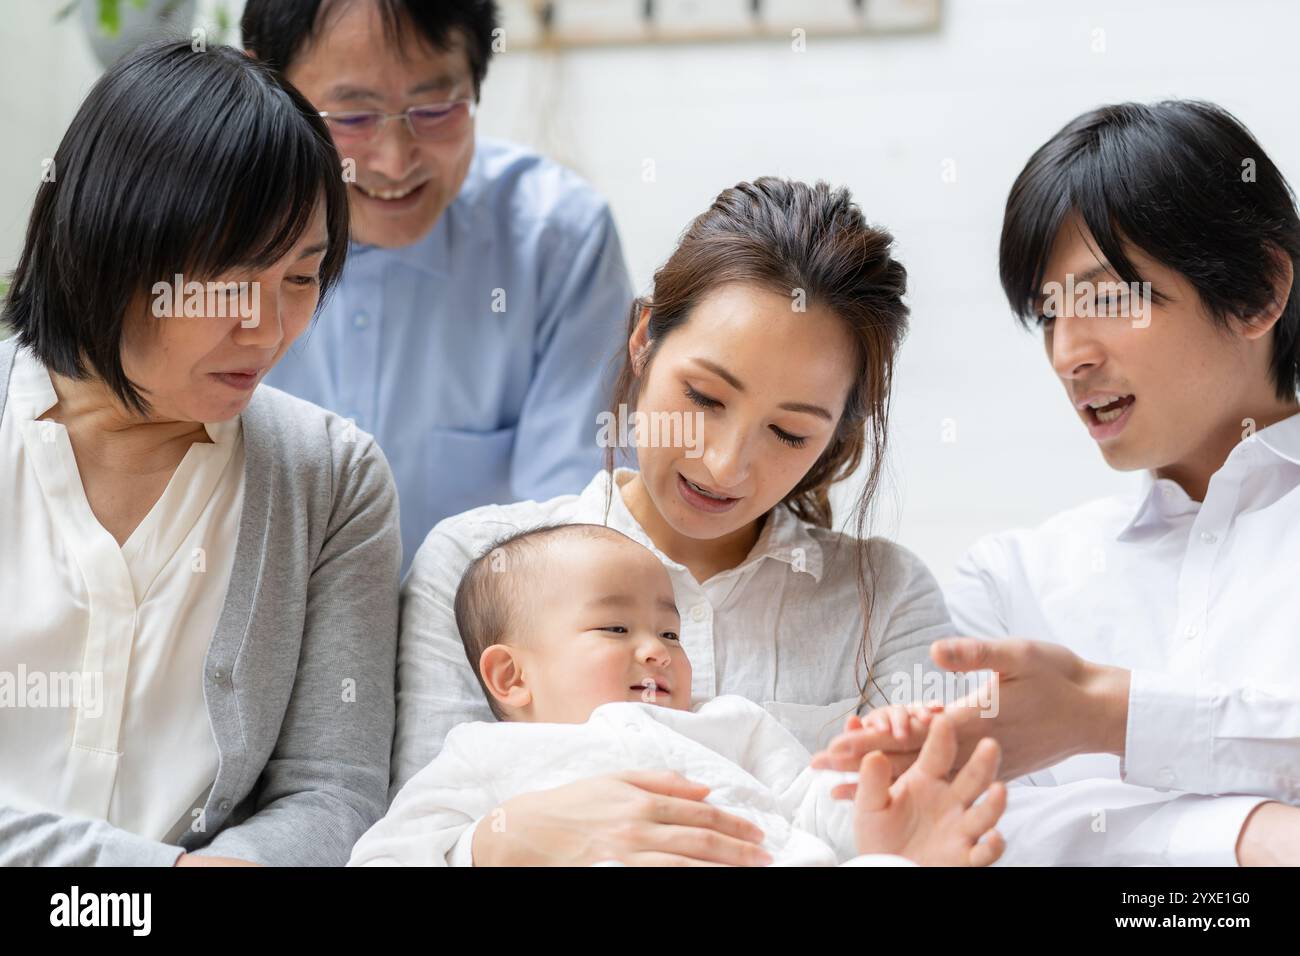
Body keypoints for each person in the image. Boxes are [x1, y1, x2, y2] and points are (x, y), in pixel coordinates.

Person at [395, 176, 957, 865]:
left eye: (789, 434)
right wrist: (504, 843)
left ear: (837, 435)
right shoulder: (482, 561)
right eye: (703, 397)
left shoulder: (887, 597)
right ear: (642, 341)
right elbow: (400, 847)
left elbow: (932, 834)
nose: (724, 465)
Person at [815, 100, 1300, 865]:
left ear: (1259, 293)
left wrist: (1107, 718)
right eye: (1046, 313)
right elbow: (971, 830)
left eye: (1108, 298)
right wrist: (1254, 837)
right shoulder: (1014, 585)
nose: (1068, 354)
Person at [0, 41, 400, 866]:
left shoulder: (332, 479)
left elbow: (335, 788)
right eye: (229, 280)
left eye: (301, 278)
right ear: (111, 247)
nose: (268, 329)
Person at [350, 524, 1007, 867]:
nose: (656, 649)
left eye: (669, 630)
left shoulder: (731, 725)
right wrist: (487, 847)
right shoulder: (485, 756)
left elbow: (808, 803)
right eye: (615, 629)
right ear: (511, 677)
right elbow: (384, 858)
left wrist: (871, 806)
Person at [243, 0, 635, 569]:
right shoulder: (208, 242)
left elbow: (569, 534)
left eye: (435, 109)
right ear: (264, 87)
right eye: (353, 117)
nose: (397, 161)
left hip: (483, 645)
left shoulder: (559, 241)